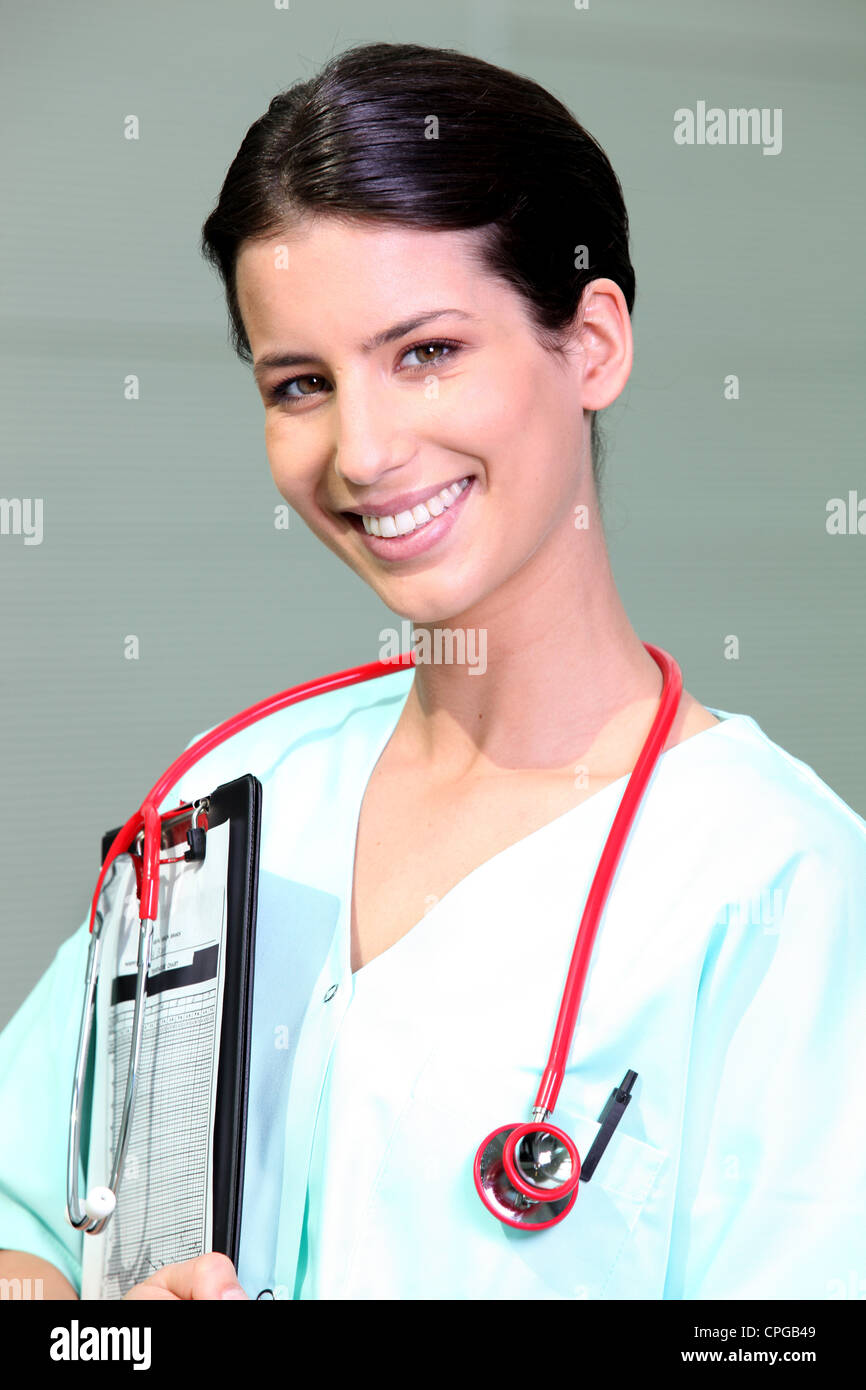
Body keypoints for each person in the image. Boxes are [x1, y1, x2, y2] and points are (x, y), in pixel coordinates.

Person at [1, 40, 865, 1302]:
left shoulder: (778, 887)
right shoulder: (228, 798)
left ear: (591, 344)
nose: (360, 450)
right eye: (300, 382)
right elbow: (28, 1206)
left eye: (424, 352)